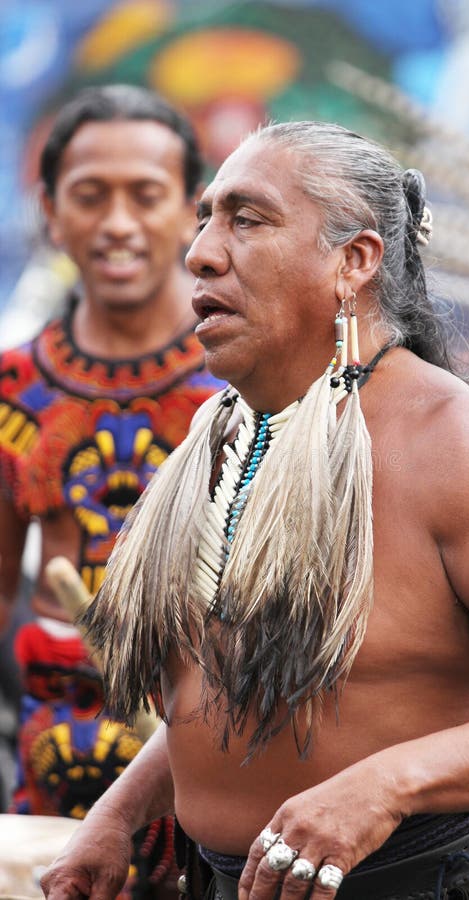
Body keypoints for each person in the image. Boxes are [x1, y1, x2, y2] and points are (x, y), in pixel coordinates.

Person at [41, 121, 469, 900]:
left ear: (354, 261)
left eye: (246, 218)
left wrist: (385, 787)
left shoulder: (450, 443)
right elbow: (236, 694)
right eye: (205, 217)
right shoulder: (233, 434)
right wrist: (121, 815)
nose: (201, 250)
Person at [0, 84, 222, 893]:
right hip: (56, 755)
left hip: (217, 748)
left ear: (195, 211)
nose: (119, 224)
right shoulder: (13, 389)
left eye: (147, 196)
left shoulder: (246, 388)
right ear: (52, 214)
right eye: (91, 197)